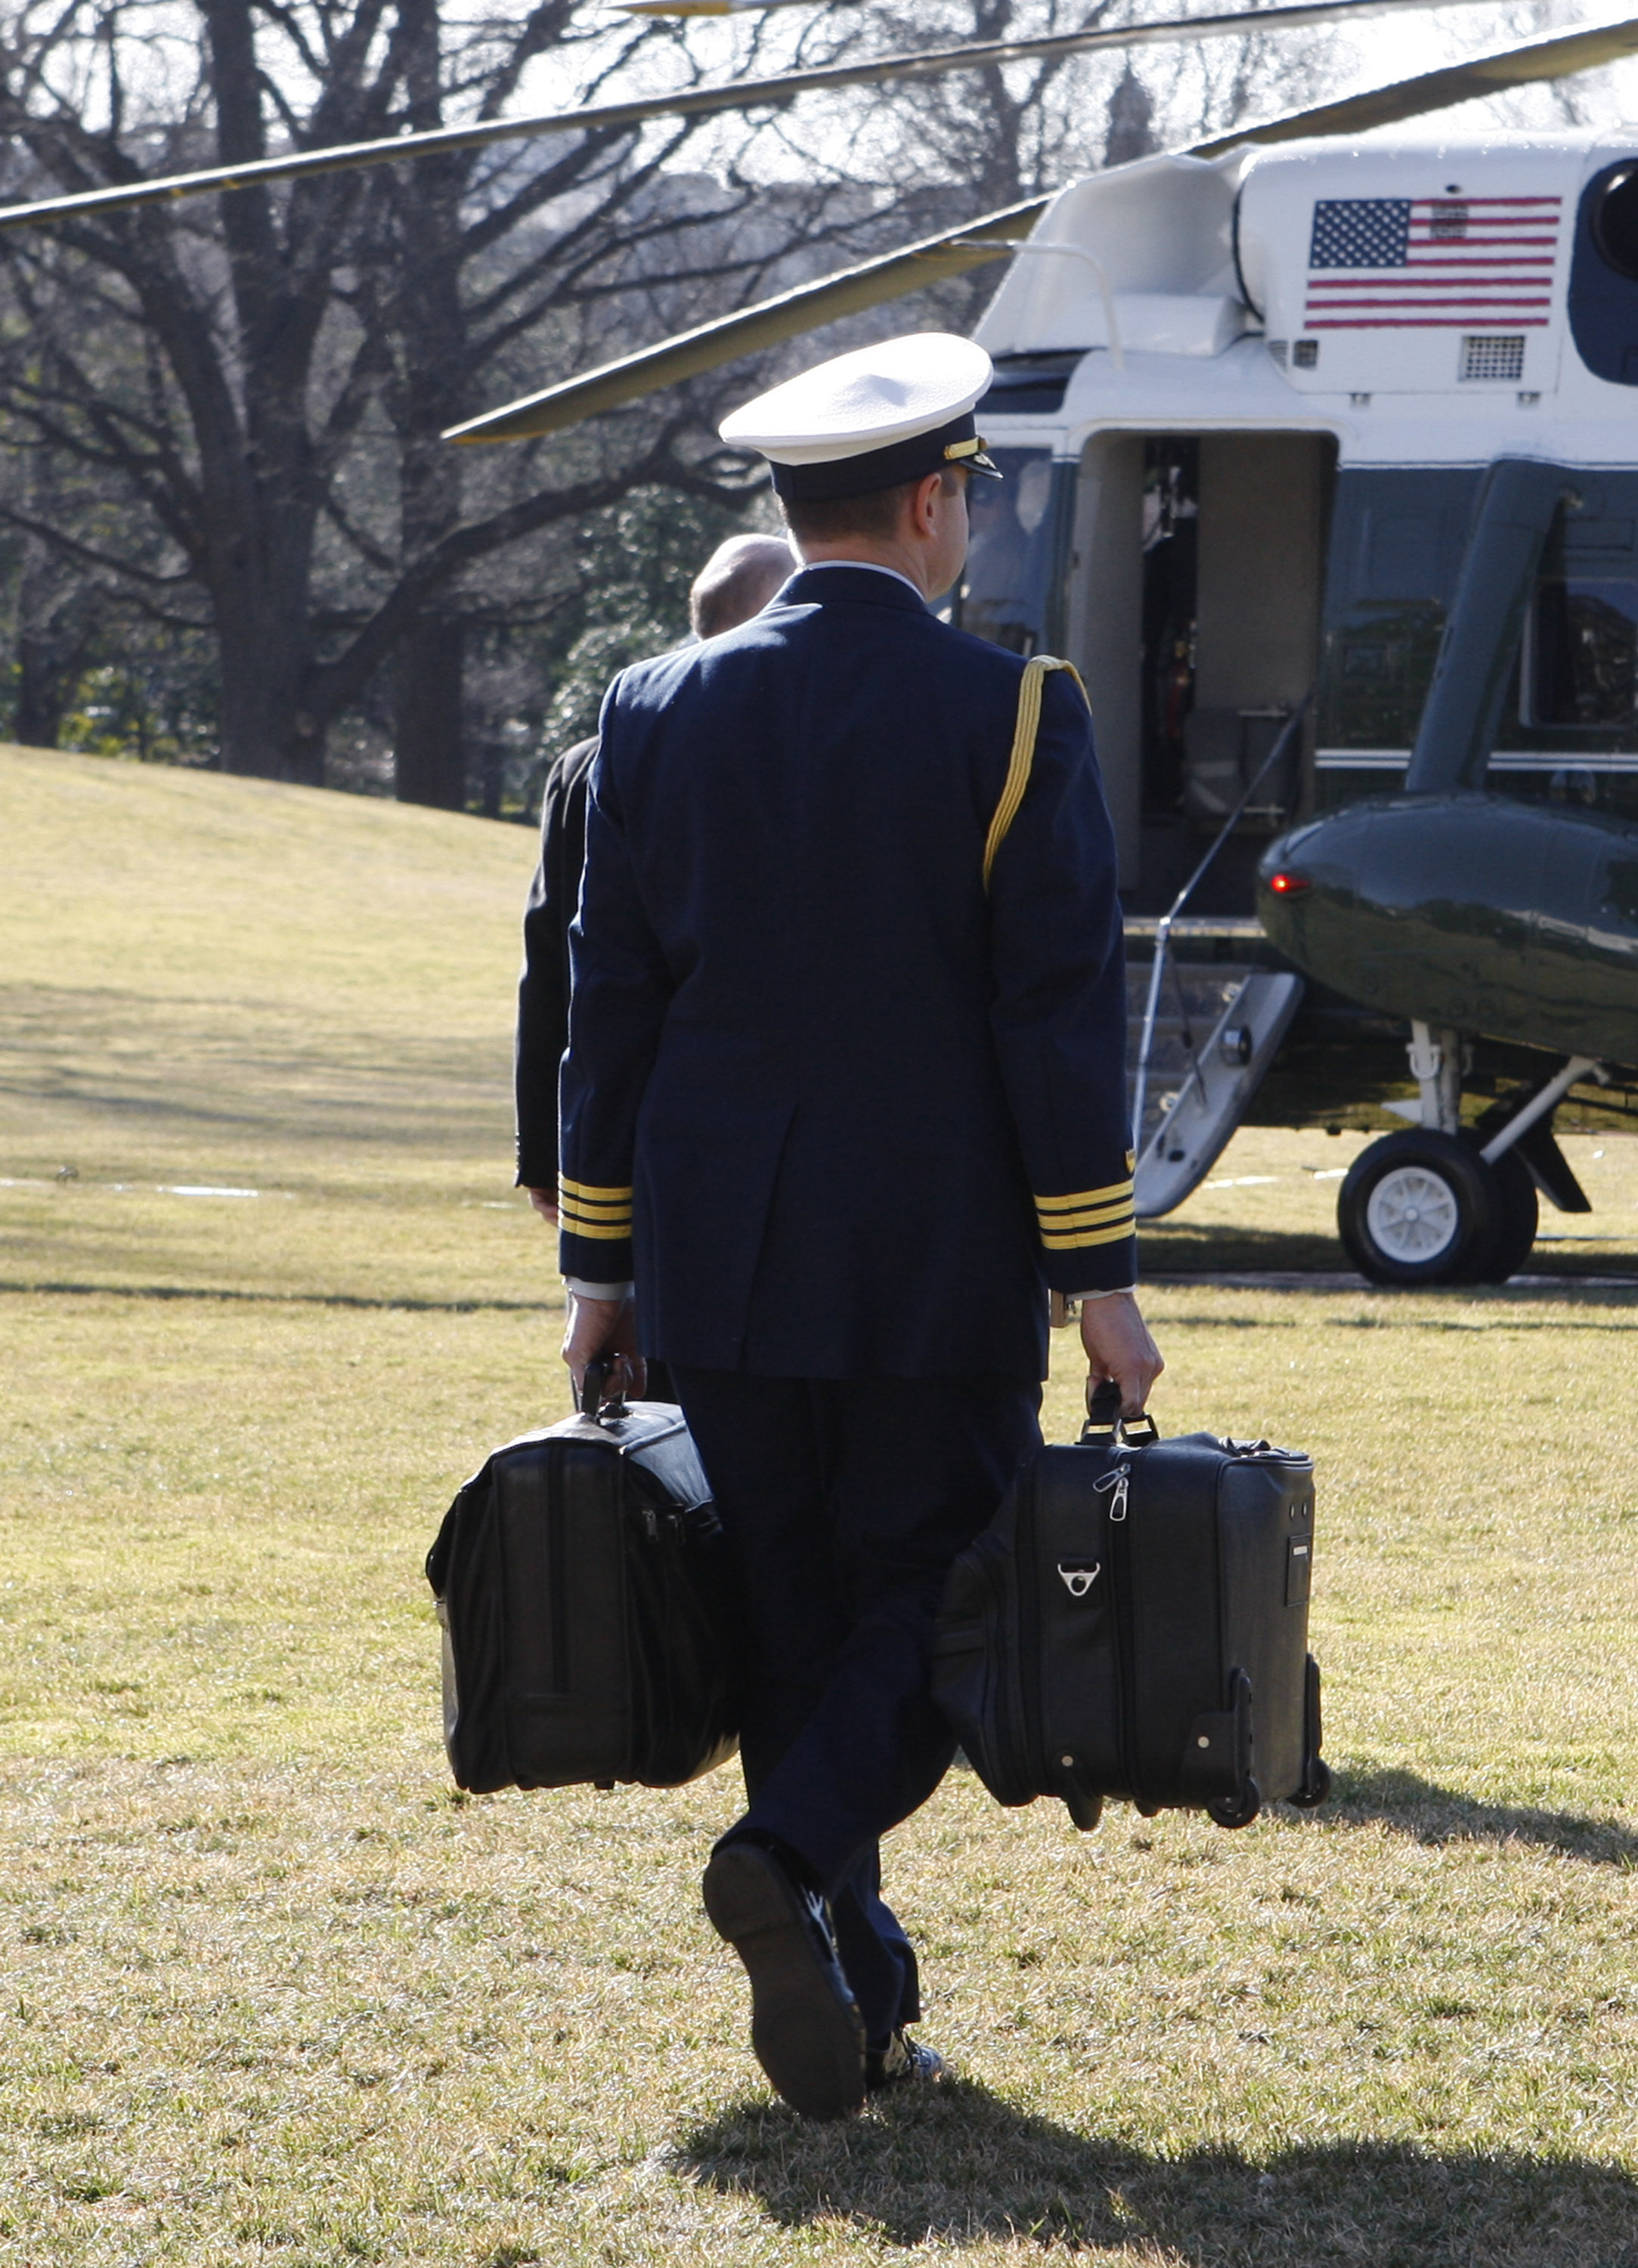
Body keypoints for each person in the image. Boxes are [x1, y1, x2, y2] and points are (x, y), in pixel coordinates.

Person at [555, 332, 1163, 2120]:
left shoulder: (648, 708)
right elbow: (1053, 1019)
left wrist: (599, 1266)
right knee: (955, 1612)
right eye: (965, 489)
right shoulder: (1015, 708)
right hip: (933, 1261)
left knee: (802, 1615)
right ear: (925, 502)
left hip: (721, 1261)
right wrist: (1100, 1284)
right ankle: (785, 1850)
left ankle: (859, 1992)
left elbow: (612, 1008)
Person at [513, 532, 796, 1208]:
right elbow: (557, 957)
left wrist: (545, 1149)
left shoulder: (597, 754)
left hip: (626, 1111)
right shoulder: (784, 748)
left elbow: (551, 968)